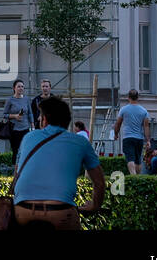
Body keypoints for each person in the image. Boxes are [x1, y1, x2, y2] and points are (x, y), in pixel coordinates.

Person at [13, 95, 106, 230]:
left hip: (23, 211)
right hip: (61, 213)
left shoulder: (28, 137)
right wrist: (94, 206)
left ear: (44, 120)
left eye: (40, 116)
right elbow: (99, 182)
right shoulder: (81, 142)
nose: (39, 119)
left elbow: (17, 174)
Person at [112, 89, 151, 174]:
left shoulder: (123, 109)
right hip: (139, 138)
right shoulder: (144, 111)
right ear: (138, 97)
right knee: (138, 159)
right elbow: (146, 126)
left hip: (128, 137)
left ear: (128, 97)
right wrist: (148, 140)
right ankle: (137, 177)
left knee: (130, 158)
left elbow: (118, 123)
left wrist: (116, 134)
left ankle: (133, 177)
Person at [2, 79, 33, 158]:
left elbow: (30, 113)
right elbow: (4, 114)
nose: (21, 88)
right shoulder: (10, 100)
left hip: (25, 128)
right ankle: (15, 169)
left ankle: (24, 169)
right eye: (18, 86)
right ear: (14, 88)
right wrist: (15, 116)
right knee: (15, 150)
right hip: (14, 129)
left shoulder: (26, 99)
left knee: (26, 150)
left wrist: (32, 124)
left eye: (22, 87)